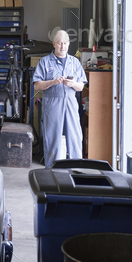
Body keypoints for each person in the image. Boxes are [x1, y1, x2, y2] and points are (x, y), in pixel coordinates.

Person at [33, 30, 87, 167]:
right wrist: (52, 82)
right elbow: (37, 85)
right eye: (59, 43)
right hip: (52, 103)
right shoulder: (44, 62)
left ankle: (77, 170)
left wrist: (73, 84)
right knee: (52, 139)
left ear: (68, 44)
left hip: (70, 101)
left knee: (75, 137)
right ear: (54, 44)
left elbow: (81, 87)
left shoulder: (75, 62)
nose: (62, 46)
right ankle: (51, 172)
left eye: (64, 43)